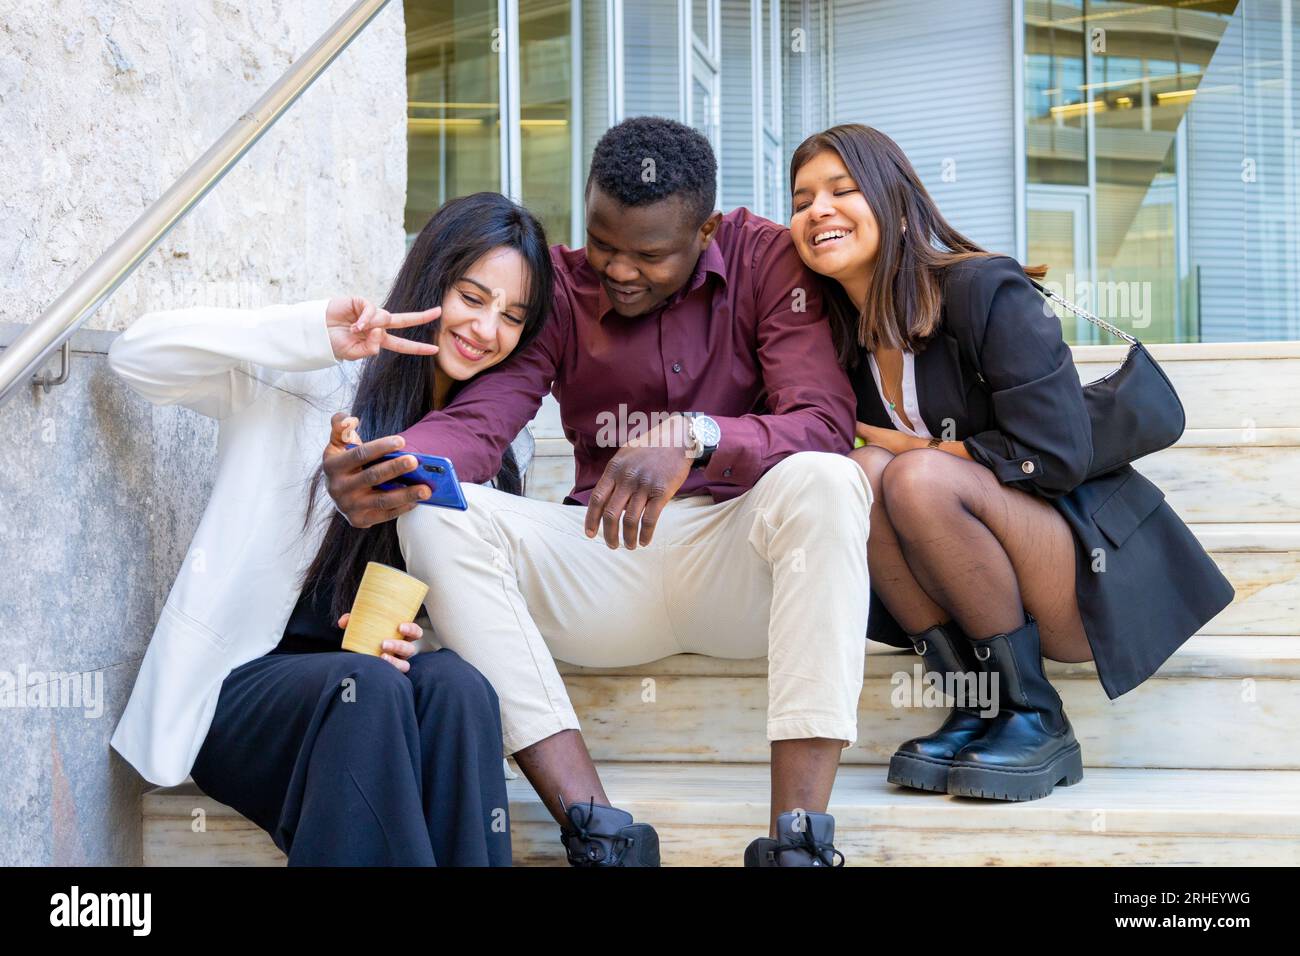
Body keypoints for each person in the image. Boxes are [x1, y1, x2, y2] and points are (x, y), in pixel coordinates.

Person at [324, 117, 870, 866]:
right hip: (603, 563)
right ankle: (599, 832)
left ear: (705, 229)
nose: (617, 269)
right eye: (603, 242)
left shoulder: (767, 258)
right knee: (439, 512)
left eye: (648, 254)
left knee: (830, 480)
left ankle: (798, 843)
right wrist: (385, 464)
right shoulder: (564, 284)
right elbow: (484, 425)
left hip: (745, 568)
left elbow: (823, 423)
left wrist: (697, 434)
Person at [787, 124, 1235, 801]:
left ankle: (1036, 715)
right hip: (966, 568)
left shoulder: (981, 290)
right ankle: (976, 702)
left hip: (1080, 568)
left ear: (898, 205)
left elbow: (1054, 456)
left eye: (842, 190)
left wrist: (911, 447)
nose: (817, 210)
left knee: (906, 472)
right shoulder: (832, 334)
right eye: (800, 200)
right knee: (862, 477)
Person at [108, 192, 553, 864]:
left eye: (512, 317)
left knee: (460, 687)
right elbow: (137, 355)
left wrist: (414, 637)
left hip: (368, 700)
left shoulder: (499, 451)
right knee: (366, 690)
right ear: (432, 278)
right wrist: (313, 332)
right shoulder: (314, 381)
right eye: (472, 296)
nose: (486, 328)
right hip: (243, 690)